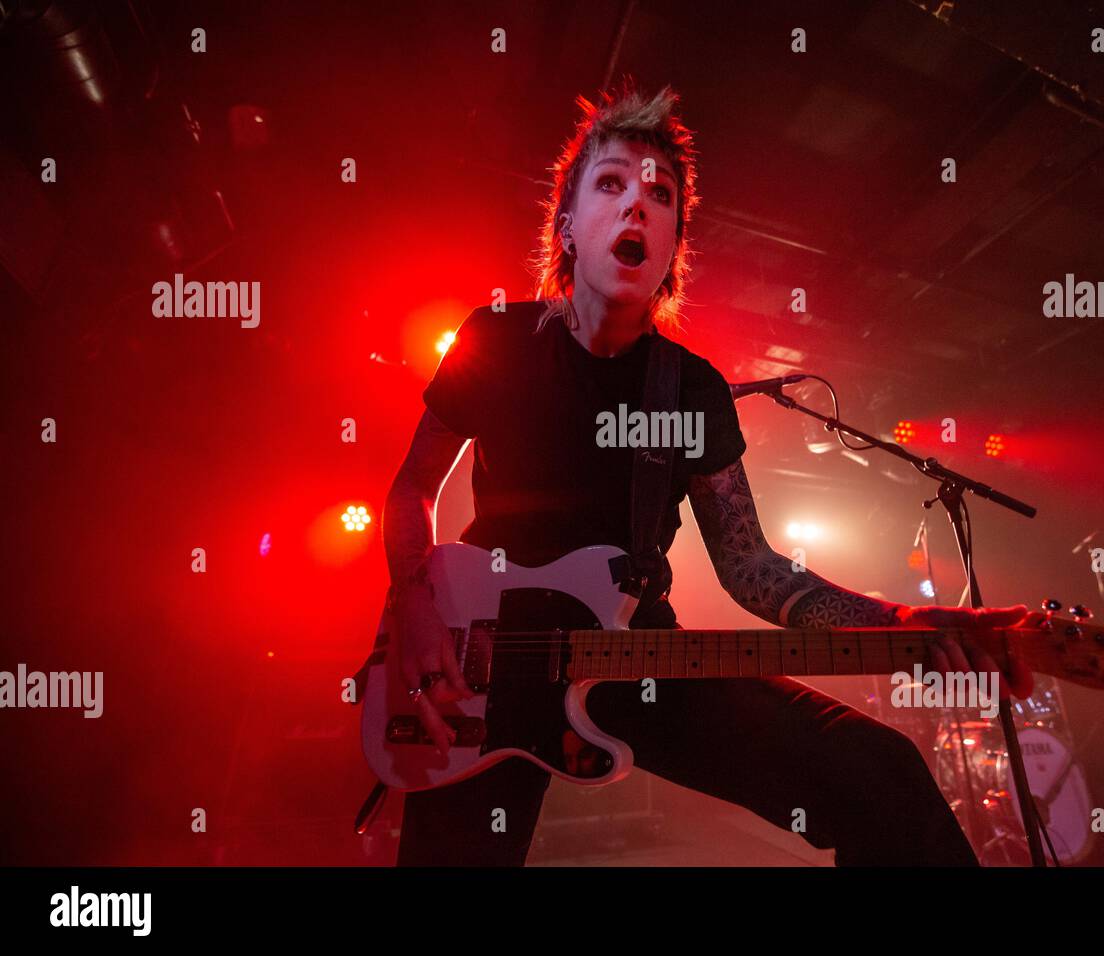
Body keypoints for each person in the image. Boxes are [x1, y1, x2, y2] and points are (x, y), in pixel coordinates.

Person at [381, 80, 1032, 866]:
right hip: (477, 657)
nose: (637, 207)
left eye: (660, 196)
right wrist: (412, 602)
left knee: (879, 774)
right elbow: (413, 487)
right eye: (612, 184)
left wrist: (900, 627)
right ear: (568, 226)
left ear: (672, 250)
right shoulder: (495, 339)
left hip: (634, 654)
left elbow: (753, 569)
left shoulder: (689, 389)